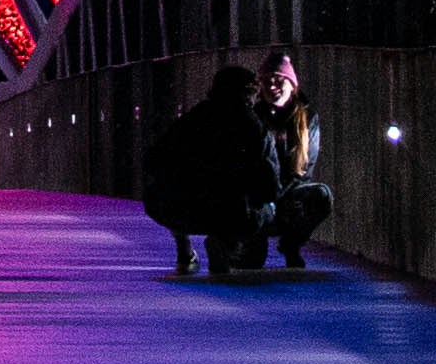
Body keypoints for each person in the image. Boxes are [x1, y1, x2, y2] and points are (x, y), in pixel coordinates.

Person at [139, 49, 333, 278]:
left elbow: (155, 158)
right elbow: (267, 180)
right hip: (238, 206)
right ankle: (226, 241)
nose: (271, 87)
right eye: (265, 82)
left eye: (279, 80)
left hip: (182, 205)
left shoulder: (195, 116)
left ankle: (194, 246)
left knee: (314, 198)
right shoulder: (252, 123)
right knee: (248, 239)